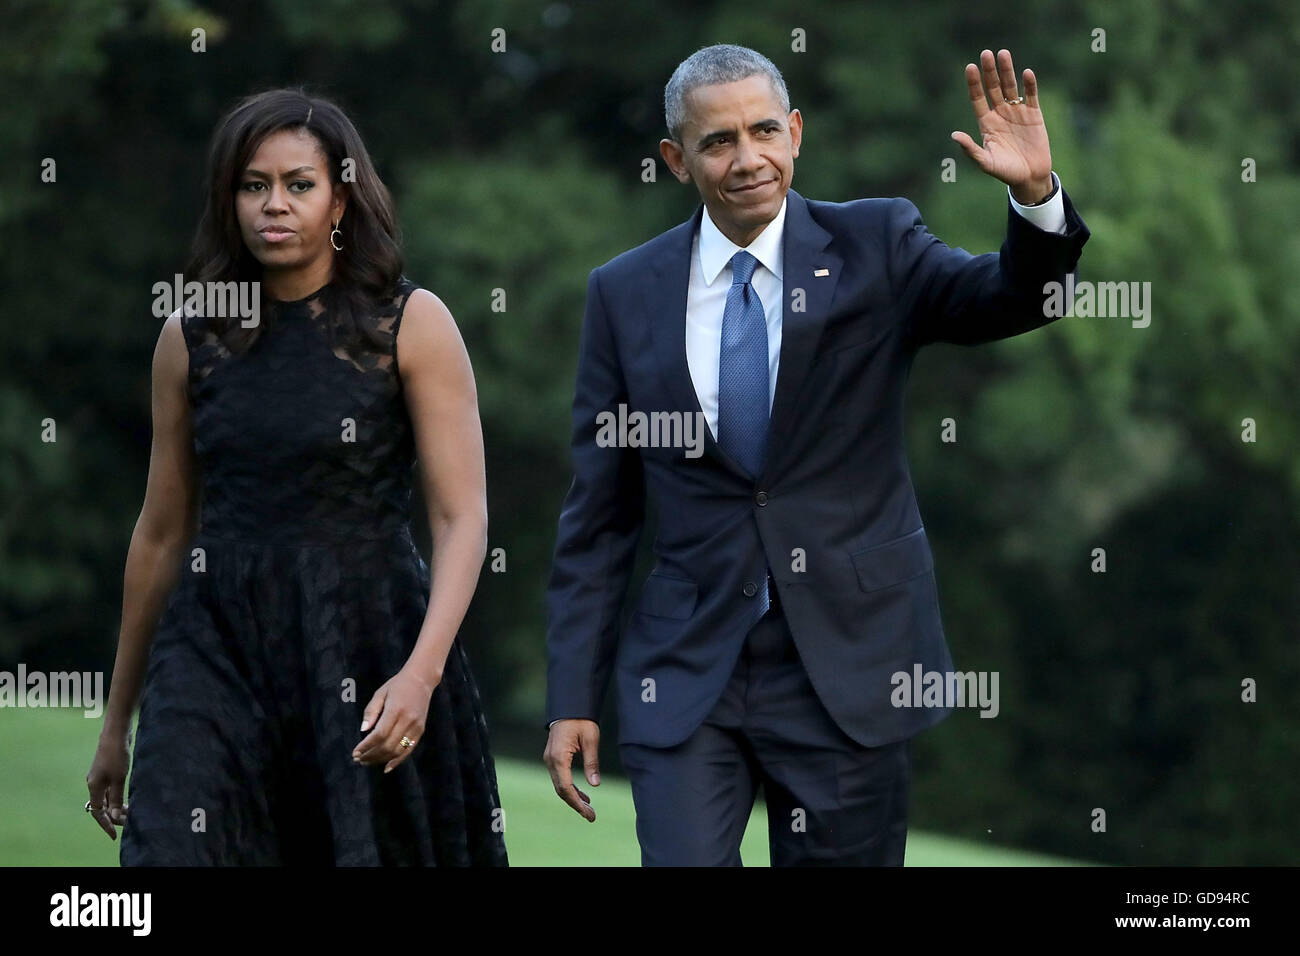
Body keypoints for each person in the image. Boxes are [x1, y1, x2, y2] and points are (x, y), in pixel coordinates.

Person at [543, 44, 1089, 865]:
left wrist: (1035, 197)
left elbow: (1018, 299)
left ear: (795, 132)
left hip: (852, 667)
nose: (748, 158)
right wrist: (571, 697)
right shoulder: (623, 292)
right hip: (689, 674)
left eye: (765, 130)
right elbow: (600, 515)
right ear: (676, 159)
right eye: (718, 141)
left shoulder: (878, 242)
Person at [86, 88, 508, 866]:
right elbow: (161, 532)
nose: (272, 206)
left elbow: (461, 519)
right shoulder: (189, 336)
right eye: (253, 186)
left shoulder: (410, 324)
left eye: (299, 185)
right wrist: (117, 723)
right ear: (229, 199)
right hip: (214, 643)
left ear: (340, 199)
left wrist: (421, 673)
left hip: (366, 641)